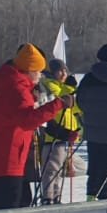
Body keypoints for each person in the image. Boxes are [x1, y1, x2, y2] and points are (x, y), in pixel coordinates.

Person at [0, 45, 68, 211]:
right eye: (38, 71)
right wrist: (58, 104)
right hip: (4, 163)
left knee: (19, 203)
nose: (40, 76)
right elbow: (28, 120)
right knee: (9, 211)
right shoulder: (16, 88)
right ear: (29, 69)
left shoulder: (6, 82)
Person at [74, 44, 107, 200]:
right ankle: (104, 199)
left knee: (95, 167)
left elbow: (80, 101)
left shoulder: (89, 78)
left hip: (93, 132)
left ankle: (91, 197)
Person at [37, 59, 80, 204]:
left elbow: (73, 108)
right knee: (51, 169)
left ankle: (55, 196)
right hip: (53, 135)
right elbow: (59, 98)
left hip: (65, 134)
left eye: (65, 71)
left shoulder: (64, 87)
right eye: (60, 71)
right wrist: (70, 89)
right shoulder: (50, 84)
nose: (63, 74)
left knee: (59, 170)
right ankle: (48, 197)